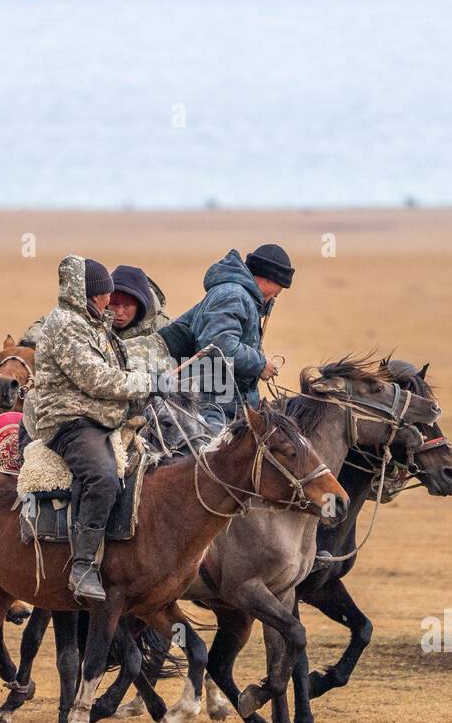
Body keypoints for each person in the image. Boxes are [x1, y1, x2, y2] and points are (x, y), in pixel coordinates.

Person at [31, 256, 151, 604]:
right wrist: (146, 382)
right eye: (105, 293)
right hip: (71, 423)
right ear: (91, 293)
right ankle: (82, 566)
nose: (109, 300)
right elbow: (94, 378)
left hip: (102, 418)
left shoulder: (92, 322)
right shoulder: (67, 325)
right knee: (103, 476)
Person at [159, 244, 294, 427]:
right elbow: (218, 343)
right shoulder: (234, 295)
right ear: (270, 280)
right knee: (213, 451)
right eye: (280, 288)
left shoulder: (237, 294)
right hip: (213, 404)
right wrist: (260, 363)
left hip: (223, 401)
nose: (278, 294)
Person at [106, 264, 175, 377]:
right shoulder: (95, 325)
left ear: (140, 306)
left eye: (127, 306)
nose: (119, 312)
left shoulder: (166, 329)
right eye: (113, 304)